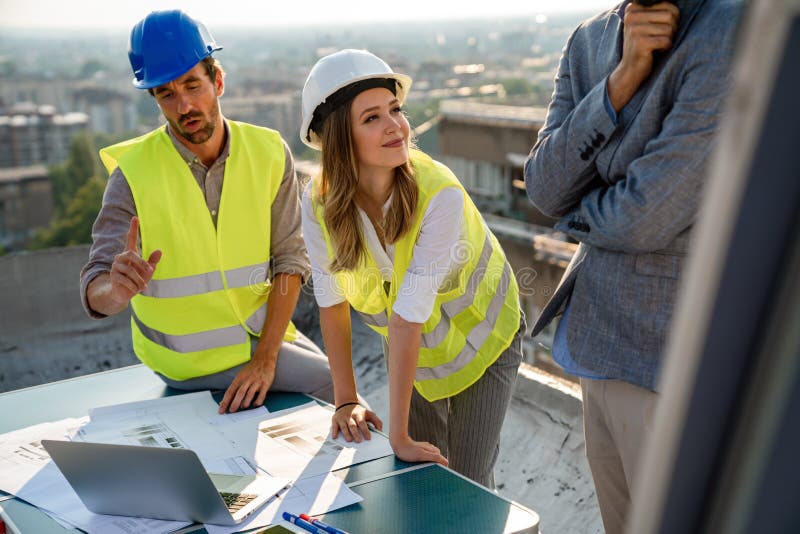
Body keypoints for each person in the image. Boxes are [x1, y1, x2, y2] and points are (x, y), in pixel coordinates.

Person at [524, 0, 742, 532]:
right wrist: (620, 82)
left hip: (673, 360)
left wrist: (573, 212)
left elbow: (644, 216)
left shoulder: (731, 25)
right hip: (594, 346)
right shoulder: (590, 38)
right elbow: (543, 186)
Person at [80, 10, 334, 414]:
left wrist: (266, 359)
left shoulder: (268, 152)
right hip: (184, 361)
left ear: (218, 81)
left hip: (256, 338)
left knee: (331, 378)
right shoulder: (132, 175)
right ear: (155, 100)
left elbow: (290, 259)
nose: (184, 106)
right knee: (334, 386)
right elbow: (96, 289)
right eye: (166, 93)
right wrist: (117, 289)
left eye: (192, 85)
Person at [299, 49, 525, 488]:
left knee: (468, 480)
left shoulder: (438, 193)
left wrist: (397, 435)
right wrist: (346, 402)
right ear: (340, 139)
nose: (396, 126)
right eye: (372, 118)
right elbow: (332, 304)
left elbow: (407, 317)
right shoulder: (319, 202)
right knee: (422, 476)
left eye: (395, 109)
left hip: (482, 339)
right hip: (415, 349)